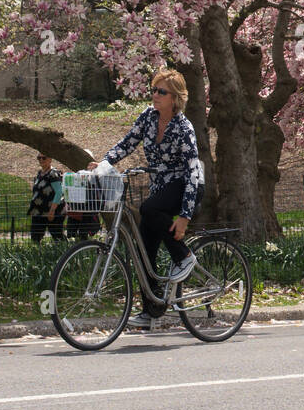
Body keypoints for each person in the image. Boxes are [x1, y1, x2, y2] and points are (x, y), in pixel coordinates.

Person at [91, 68, 204, 329]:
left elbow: (192, 171)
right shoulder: (149, 118)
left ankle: (184, 256)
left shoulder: (184, 128)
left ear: (175, 98)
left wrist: (185, 217)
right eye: (153, 90)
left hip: (187, 186)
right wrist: (105, 162)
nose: (155, 95)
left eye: (161, 91)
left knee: (149, 209)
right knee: (144, 247)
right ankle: (153, 309)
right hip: (161, 189)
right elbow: (128, 142)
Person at [29, 153, 66, 242]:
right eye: (39, 158)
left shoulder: (53, 174)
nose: (41, 160)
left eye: (44, 158)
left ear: (50, 159)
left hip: (52, 210)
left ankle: (66, 253)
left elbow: (59, 192)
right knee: (35, 236)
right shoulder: (39, 173)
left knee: (57, 235)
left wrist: (52, 211)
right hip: (38, 211)